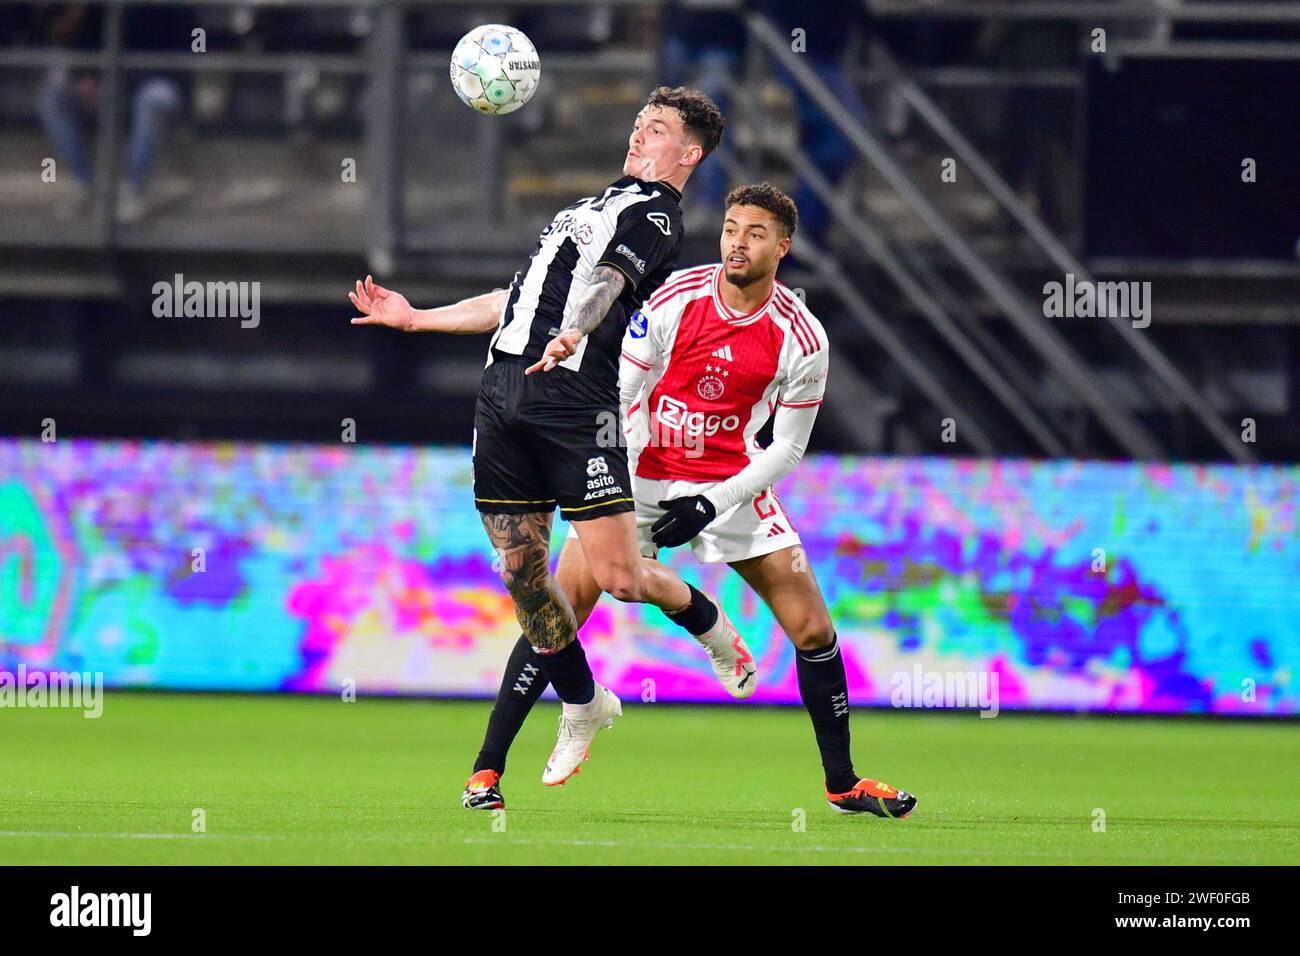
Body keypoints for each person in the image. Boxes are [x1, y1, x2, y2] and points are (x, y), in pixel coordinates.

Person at [462, 183, 919, 818]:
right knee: (559, 603)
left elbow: (785, 450)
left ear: (782, 247)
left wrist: (708, 503)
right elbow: (621, 395)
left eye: (755, 233)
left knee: (813, 627)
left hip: (729, 481)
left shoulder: (802, 337)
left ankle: (843, 785)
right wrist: (615, 480)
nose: (738, 241)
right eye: (731, 228)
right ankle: (489, 767)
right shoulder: (674, 298)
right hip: (642, 467)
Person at [349, 87, 755, 788]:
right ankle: (585, 702)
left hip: (576, 403)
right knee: (523, 578)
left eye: (655, 130)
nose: (637, 136)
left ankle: (710, 623)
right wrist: (418, 319)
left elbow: (605, 282)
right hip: (503, 392)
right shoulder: (584, 209)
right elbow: (518, 300)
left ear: (687, 155)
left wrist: (576, 329)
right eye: (637, 123)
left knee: (621, 579)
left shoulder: (656, 216)